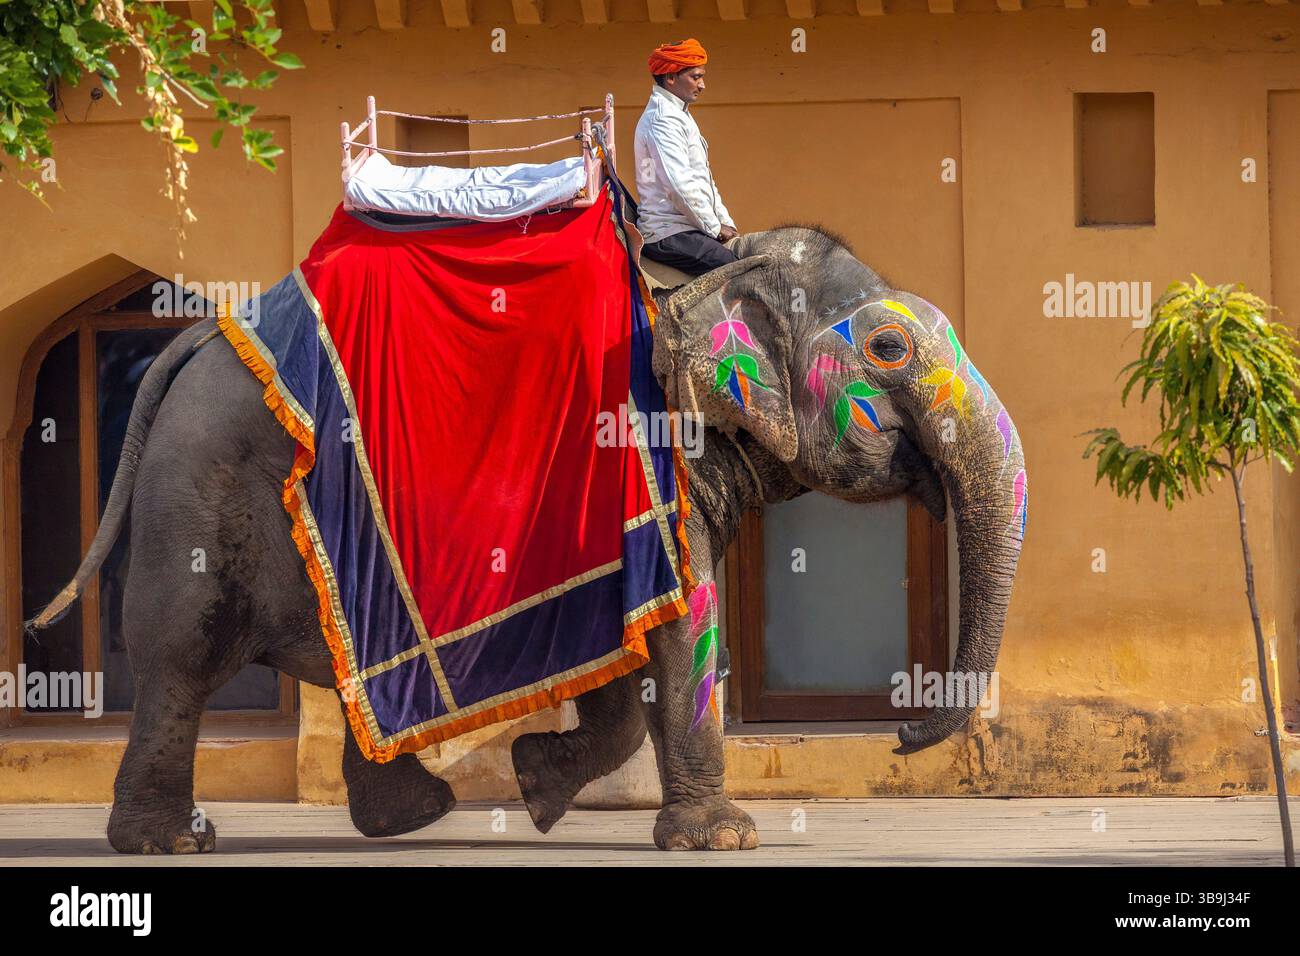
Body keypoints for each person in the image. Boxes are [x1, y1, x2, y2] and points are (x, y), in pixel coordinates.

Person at [634, 38, 739, 277]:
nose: (702, 85)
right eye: (696, 77)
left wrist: (726, 222)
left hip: (688, 227)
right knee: (741, 272)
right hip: (668, 232)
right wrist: (714, 228)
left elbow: (704, 180)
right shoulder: (663, 119)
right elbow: (679, 185)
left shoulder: (679, 114)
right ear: (671, 78)